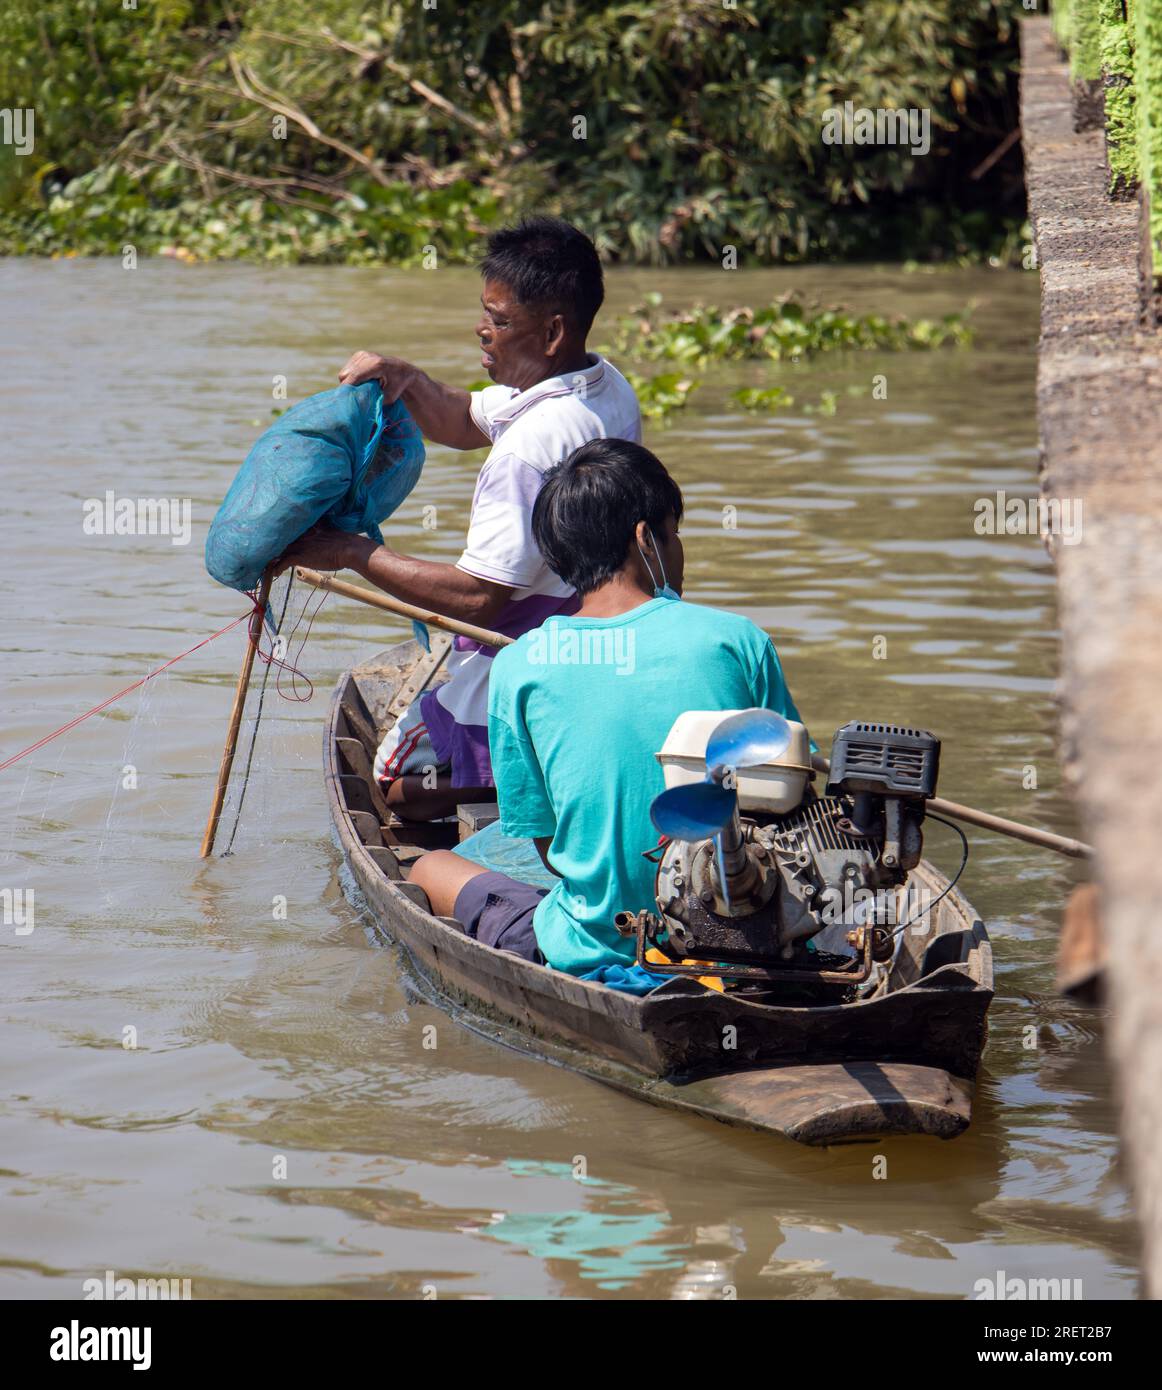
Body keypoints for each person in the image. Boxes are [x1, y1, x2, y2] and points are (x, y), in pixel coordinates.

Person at [278, 216, 641, 819]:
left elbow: (477, 601)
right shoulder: (601, 385)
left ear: (551, 332)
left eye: (499, 321)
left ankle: (515, 785)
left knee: (392, 784)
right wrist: (407, 379)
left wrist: (348, 552)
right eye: (485, 313)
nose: (482, 329)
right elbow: (464, 418)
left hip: (531, 645)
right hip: (598, 628)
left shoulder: (528, 448)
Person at [410, 438, 807, 977]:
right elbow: (797, 801)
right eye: (675, 533)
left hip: (599, 946)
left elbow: (549, 849)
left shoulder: (521, 664)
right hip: (751, 937)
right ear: (646, 538)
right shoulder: (736, 639)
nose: (679, 549)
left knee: (430, 867)